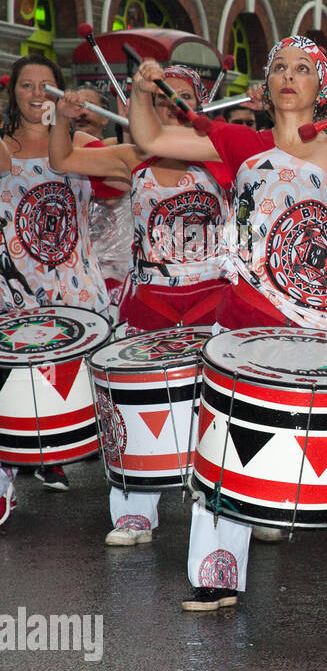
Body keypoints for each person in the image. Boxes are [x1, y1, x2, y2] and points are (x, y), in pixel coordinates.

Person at [130, 35, 327, 609]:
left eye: (303, 68)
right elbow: (149, 137)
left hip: (322, 316)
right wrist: (140, 86)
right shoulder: (237, 143)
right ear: (267, 84)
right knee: (227, 441)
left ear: (320, 87)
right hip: (248, 314)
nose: (288, 76)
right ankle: (215, 574)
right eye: (278, 67)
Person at [49, 65, 234, 547]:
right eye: (162, 97)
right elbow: (63, 158)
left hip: (212, 303)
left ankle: (230, 508)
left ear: (202, 104)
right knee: (136, 409)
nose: (174, 104)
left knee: (213, 412)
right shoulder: (135, 156)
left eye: (184, 96)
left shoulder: (224, 159)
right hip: (151, 303)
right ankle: (135, 512)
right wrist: (63, 118)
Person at [0, 55, 112, 499]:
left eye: (47, 85)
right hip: (17, 293)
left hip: (76, 289)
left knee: (75, 391)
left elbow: (125, 180)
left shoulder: (81, 142)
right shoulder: (3, 147)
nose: (36, 94)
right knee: (13, 389)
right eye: (26, 85)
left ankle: (62, 459)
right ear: (13, 94)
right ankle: (6, 476)